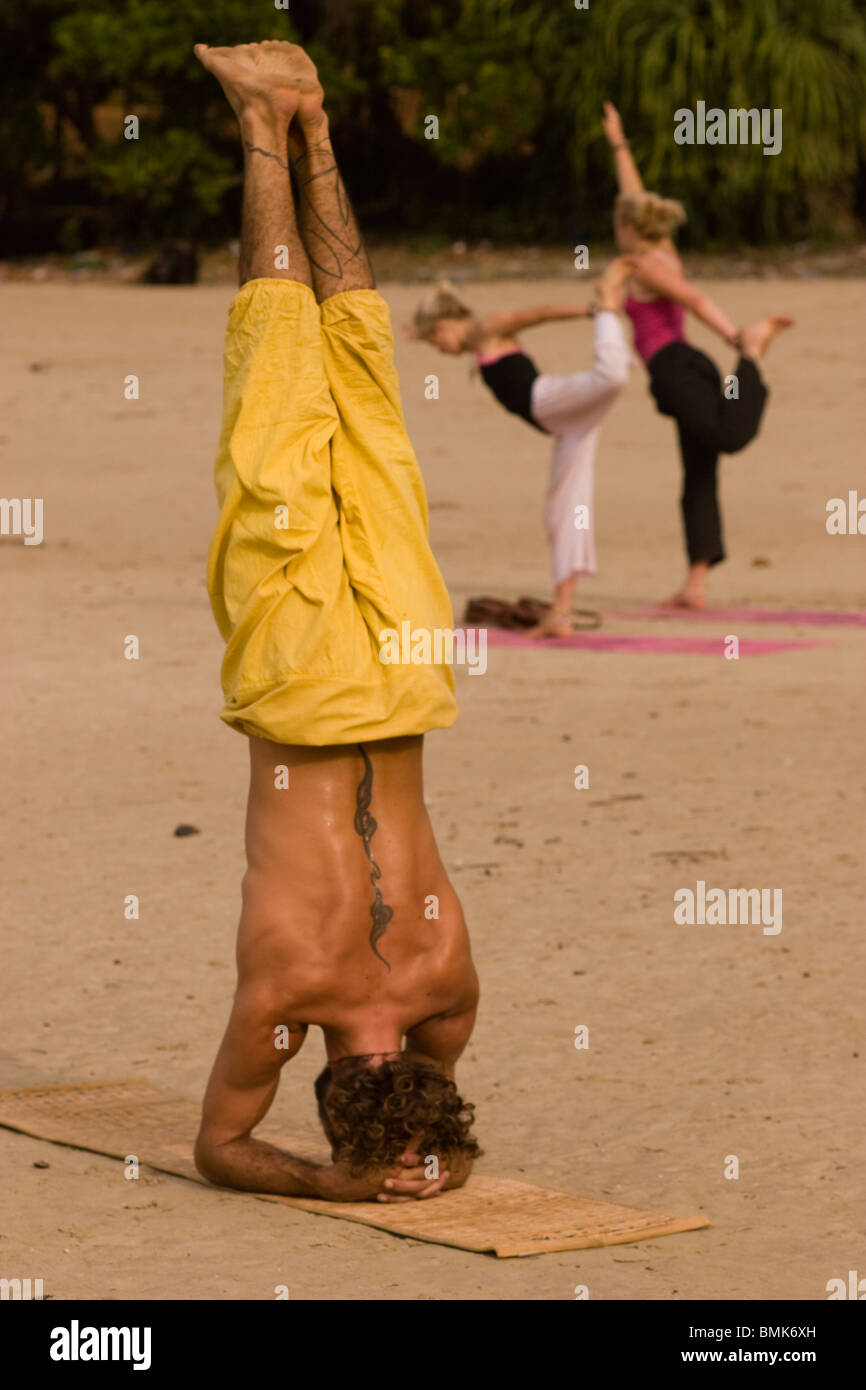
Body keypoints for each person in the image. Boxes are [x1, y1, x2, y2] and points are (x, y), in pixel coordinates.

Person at [192, 40, 480, 1205]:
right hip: (301, 691)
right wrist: (340, 1184)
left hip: (411, 675)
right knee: (276, 383)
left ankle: (314, 127)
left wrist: (432, 1152)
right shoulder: (284, 994)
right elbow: (221, 1148)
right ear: (316, 1081)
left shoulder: (446, 986)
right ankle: (264, 123)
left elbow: (442, 1100)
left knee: (363, 386)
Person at [603, 101, 794, 609]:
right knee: (699, 474)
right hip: (685, 365)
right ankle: (696, 583)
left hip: (676, 368)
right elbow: (634, 195)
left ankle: (753, 355)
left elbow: (694, 299)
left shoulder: (643, 264)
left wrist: (737, 339)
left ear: (627, 229)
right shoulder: (661, 246)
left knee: (727, 438)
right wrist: (618, 142)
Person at [411, 264, 634, 637]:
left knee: (611, 376)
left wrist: (595, 310)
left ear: (444, 327)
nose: (440, 350)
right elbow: (453, 339)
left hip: (547, 401)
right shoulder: (473, 340)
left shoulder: (488, 329)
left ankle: (608, 302)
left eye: (435, 342)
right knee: (563, 512)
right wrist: (418, 332)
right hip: (565, 427)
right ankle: (561, 613)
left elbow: (537, 314)